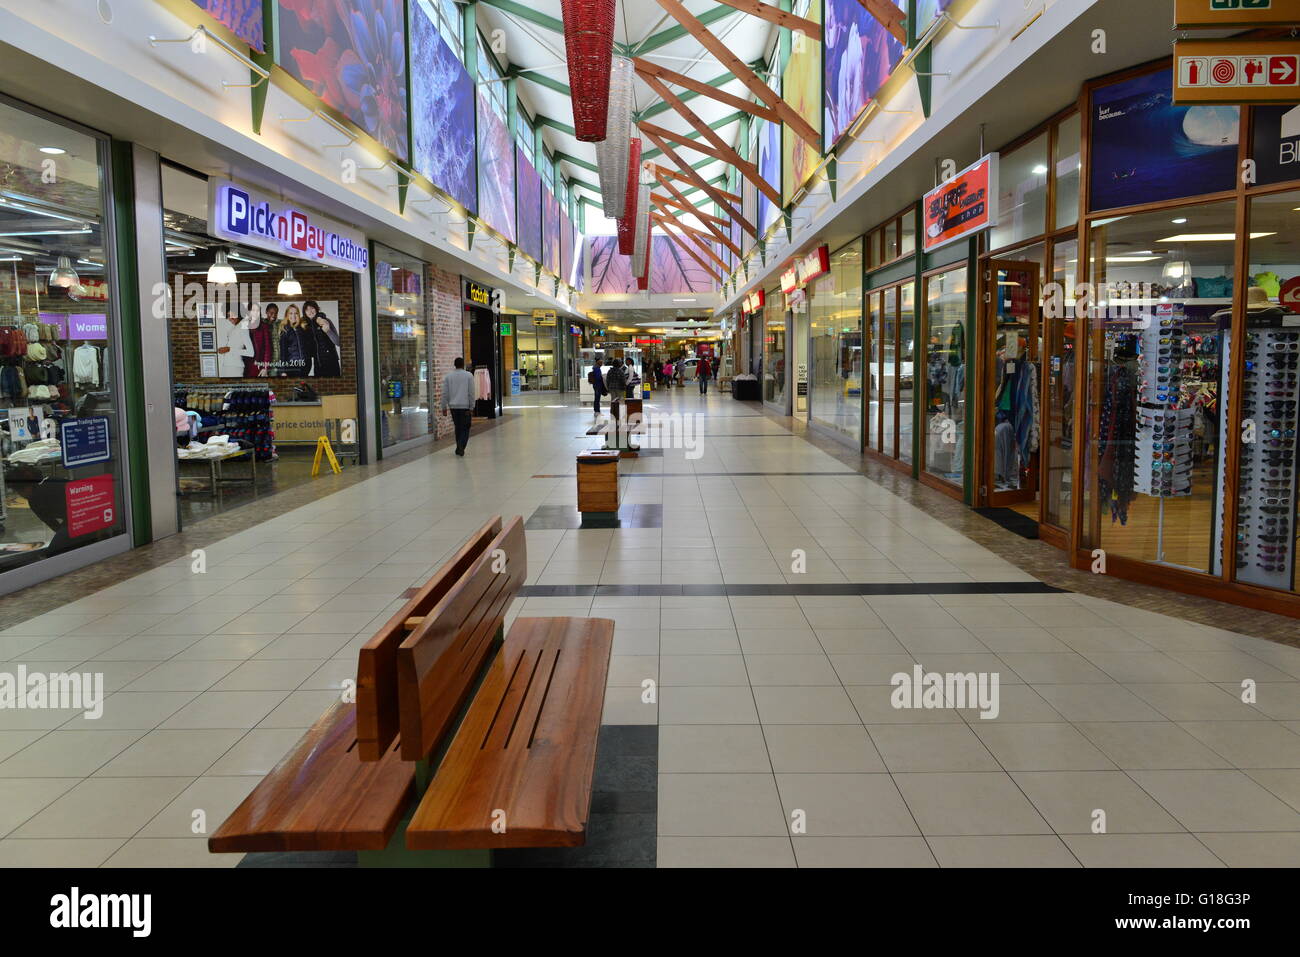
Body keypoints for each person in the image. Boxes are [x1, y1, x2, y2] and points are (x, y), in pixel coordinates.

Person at [441, 356, 477, 456]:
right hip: (465, 407)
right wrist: (472, 407)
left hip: (453, 407)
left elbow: (445, 393)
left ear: (454, 365)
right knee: (466, 427)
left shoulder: (448, 376)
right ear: (463, 365)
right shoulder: (469, 376)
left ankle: (458, 447)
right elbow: (471, 393)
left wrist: (443, 407)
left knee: (458, 427)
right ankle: (461, 446)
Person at [305, 301, 341, 377]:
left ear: (317, 309)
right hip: (318, 364)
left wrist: (328, 331)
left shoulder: (326, 321)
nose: (310, 311)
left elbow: (338, 342)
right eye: (307, 309)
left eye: (312, 308)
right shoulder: (306, 326)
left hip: (331, 362)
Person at [215, 309, 253, 377]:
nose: (230, 318)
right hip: (228, 365)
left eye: (232, 315)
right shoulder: (235, 328)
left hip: (235, 367)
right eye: (228, 316)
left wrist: (229, 349)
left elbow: (251, 352)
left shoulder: (243, 328)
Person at [243, 303, 272, 377]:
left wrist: (265, 367)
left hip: (258, 365)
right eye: (253, 310)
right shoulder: (243, 326)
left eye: (257, 310)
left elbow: (268, 349)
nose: (255, 313)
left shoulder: (264, 327)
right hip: (244, 365)